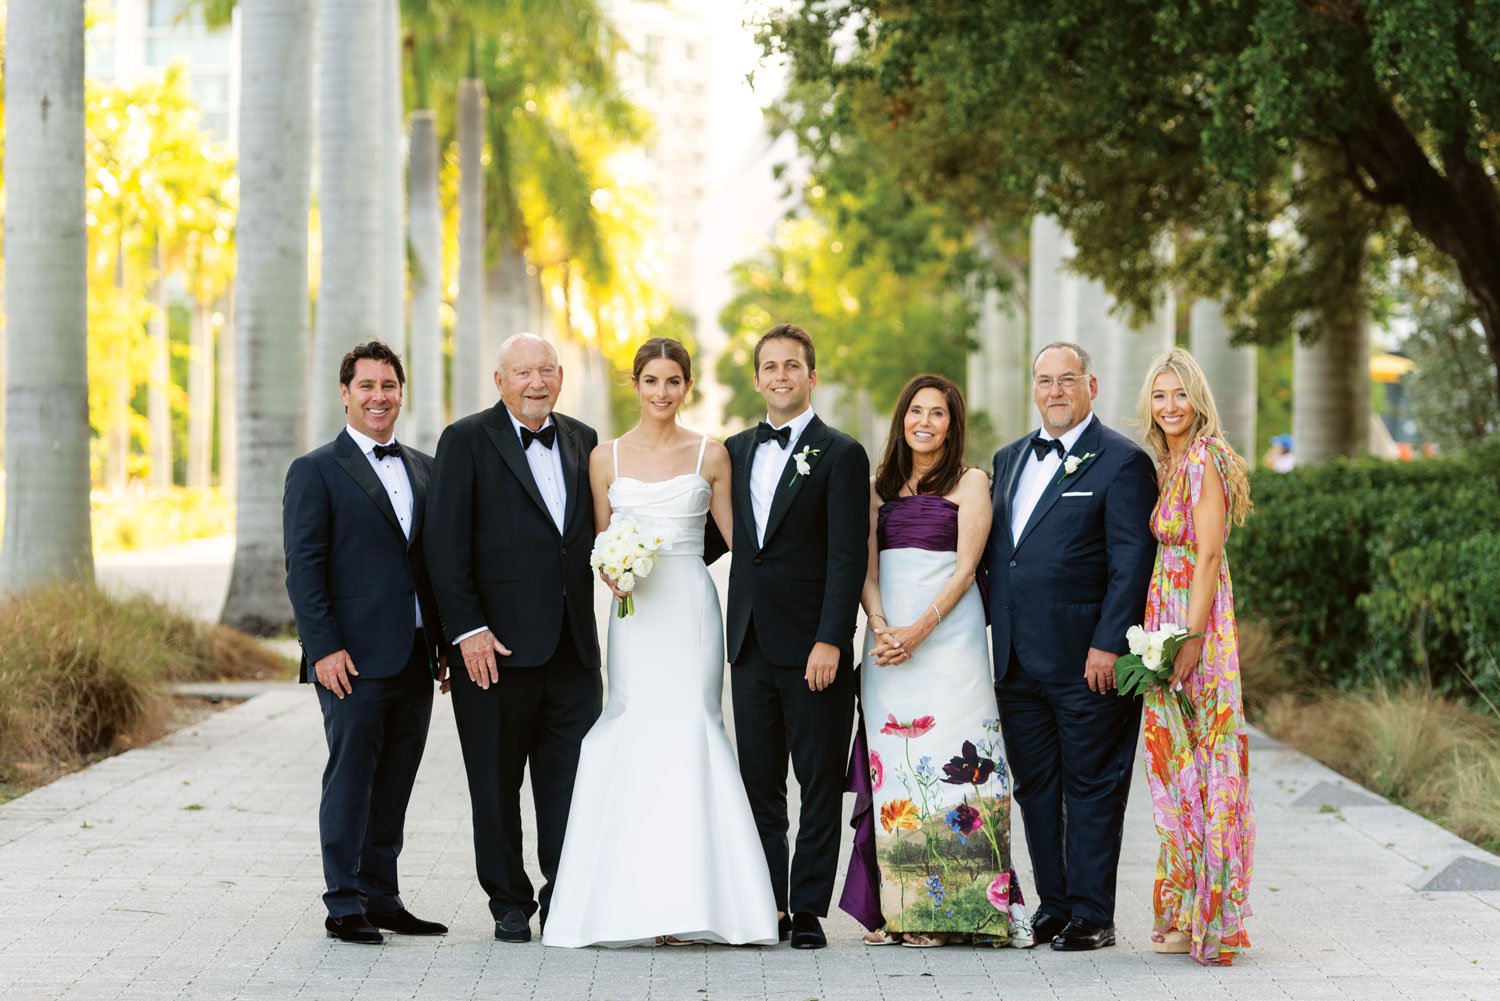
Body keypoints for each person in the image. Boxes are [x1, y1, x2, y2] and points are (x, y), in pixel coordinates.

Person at [544, 338, 778, 948]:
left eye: (673, 381)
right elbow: (599, 545)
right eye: (651, 381)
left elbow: (743, 546)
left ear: (687, 386)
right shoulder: (605, 458)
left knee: (693, 727)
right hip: (634, 614)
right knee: (632, 727)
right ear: (636, 384)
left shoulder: (713, 455)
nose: (662, 393)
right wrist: (617, 569)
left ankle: (704, 899)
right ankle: (628, 898)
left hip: (691, 609)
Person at [841, 375, 1033, 949]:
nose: (925, 421)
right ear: (901, 418)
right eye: (915, 411)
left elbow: (966, 570)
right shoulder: (876, 489)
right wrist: (881, 628)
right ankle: (900, 910)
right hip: (887, 648)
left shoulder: (972, 482)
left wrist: (920, 630)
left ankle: (958, 913)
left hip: (951, 644)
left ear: (953, 424)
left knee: (957, 770)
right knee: (899, 771)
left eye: (938, 413)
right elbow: (866, 571)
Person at [424, 333, 602, 943]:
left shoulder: (583, 439)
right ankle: (508, 900)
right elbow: (444, 546)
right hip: (491, 651)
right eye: (523, 372)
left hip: (574, 649)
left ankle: (564, 892)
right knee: (495, 782)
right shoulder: (465, 440)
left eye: (547, 371)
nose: (537, 383)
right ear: (499, 381)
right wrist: (467, 632)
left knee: (571, 781)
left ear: (560, 377)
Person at [986, 341, 1157, 952]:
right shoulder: (1007, 460)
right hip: (1015, 661)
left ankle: (1093, 912)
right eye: (1044, 380)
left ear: (1091, 386)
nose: (1055, 391)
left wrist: (1110, 644)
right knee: (1036, 789)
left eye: (1067, 380)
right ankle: (1055, 904)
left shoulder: (1122, 462)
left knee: (1092, 787)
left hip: (1090, 663)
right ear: (1033, 388)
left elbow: (1131, 565)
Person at [283, 340, 449, 945]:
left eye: (389, 386)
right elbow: (304, 567)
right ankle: (342, 901)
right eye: (367, 386)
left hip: (414, 653)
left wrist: (444, 647)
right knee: (352, 776)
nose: (379, 397)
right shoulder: (315, 470)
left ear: (401, 393)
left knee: (397, 778)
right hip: (348, 659)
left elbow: (432, 566)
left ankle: (383, 895)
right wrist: (323, 648)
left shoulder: (427, 468)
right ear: (346, 393)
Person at [722, 323, 869, 950]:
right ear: (756, 379)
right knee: (758, 786)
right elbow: (715, 537)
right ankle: (765, 904)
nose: (780, 376)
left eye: (792, 366)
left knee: (816, 783)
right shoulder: (731, 451)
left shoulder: (841, 453)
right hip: (749, 644)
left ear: (812, 376)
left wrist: (832, 638)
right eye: (770, 367)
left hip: (815, 649)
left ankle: (806, 910)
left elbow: (847, 557)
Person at [1136, 348, 1256, 966]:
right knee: (1173, 766)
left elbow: (1207, 554)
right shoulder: (1166, 461)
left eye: (1179, 394)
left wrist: (1190, 637)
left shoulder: (1206, 457)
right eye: (1160, 395)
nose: (1170, 406)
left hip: (1196, 629)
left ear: (1198, 398)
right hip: (1164, 625)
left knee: (1205, 766)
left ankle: (1213, 916)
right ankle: (1183, 908)